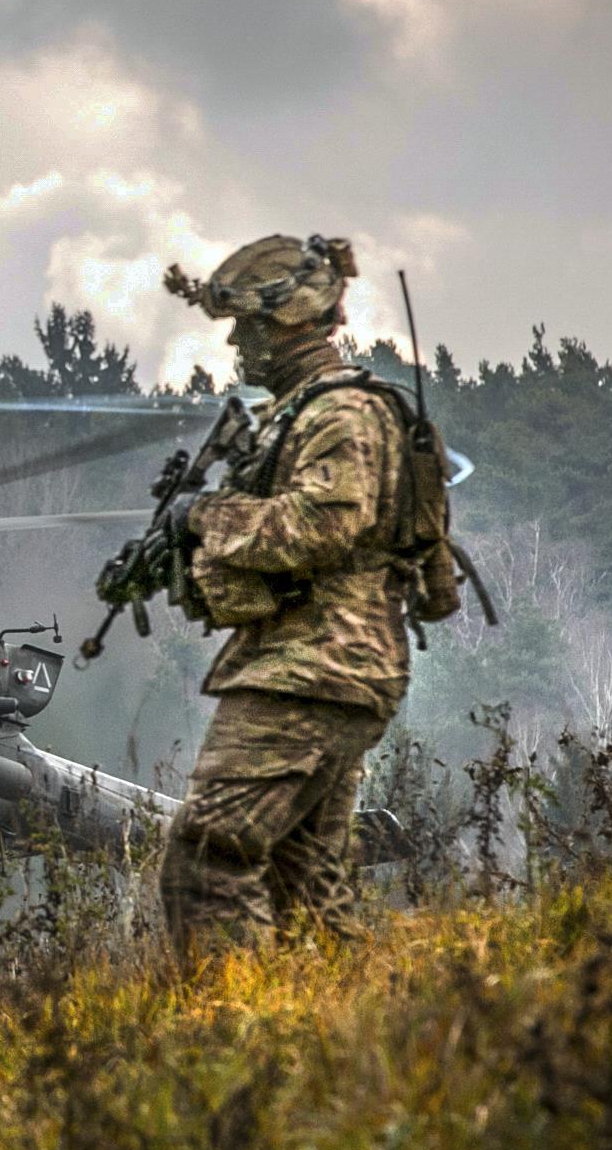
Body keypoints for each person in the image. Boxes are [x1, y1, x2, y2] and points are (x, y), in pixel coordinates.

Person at [153, 234, 416, 964]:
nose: (237, 340)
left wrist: (207, 518)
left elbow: (322, 524)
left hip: (315, 666)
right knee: (307, 887)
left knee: (208, 860)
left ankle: (233, 1047)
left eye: (248, 324)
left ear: (289, 322)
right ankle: (367, 1048)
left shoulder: (341, 414)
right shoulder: (301, 413)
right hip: (328, 665)